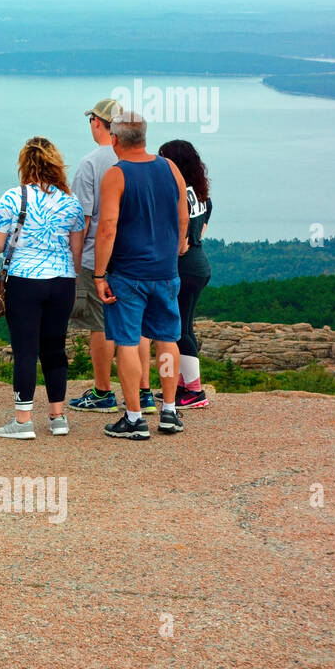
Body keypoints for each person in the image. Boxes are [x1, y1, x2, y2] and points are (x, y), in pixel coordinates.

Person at [93, 111, 190, 439]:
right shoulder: (170, 168)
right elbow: (183, 214)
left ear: (115, 139)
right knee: (167, 338)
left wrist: (99, 273)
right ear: (144, 137)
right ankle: (169, 411)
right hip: (165, 272)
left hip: (128, 274)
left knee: (128, 342)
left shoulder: (116, 175)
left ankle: (134, 418)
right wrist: (176, 248)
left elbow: (107, 228)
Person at [0, 138, 86, 439]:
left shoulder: (13, 198)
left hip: (24, 280)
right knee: (54, 348)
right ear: (56, 164)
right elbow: (76, 249)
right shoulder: (71, 202)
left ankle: (23, 421)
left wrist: (17, 243)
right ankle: (58, 417)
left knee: (26, 349)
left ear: (24, 164)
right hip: (62, 281)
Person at [69, 99, 157, 416]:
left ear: (97, 122)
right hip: (138, 257)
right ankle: (145, 394)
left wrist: (76, 261)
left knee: (101, 326)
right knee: (139, 327)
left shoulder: (91, 163)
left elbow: (86, 220)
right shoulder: (147, 161)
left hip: (98, 257)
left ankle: (103, 392)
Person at [157, 139, 213, 409]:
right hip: (198, 264)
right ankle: (181, 386)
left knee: (180, 330)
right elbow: (199, 234)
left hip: (184, 269)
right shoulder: (201, 194)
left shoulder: (177, 194)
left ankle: (194, 392)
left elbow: (178, 237)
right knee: (183, 327)